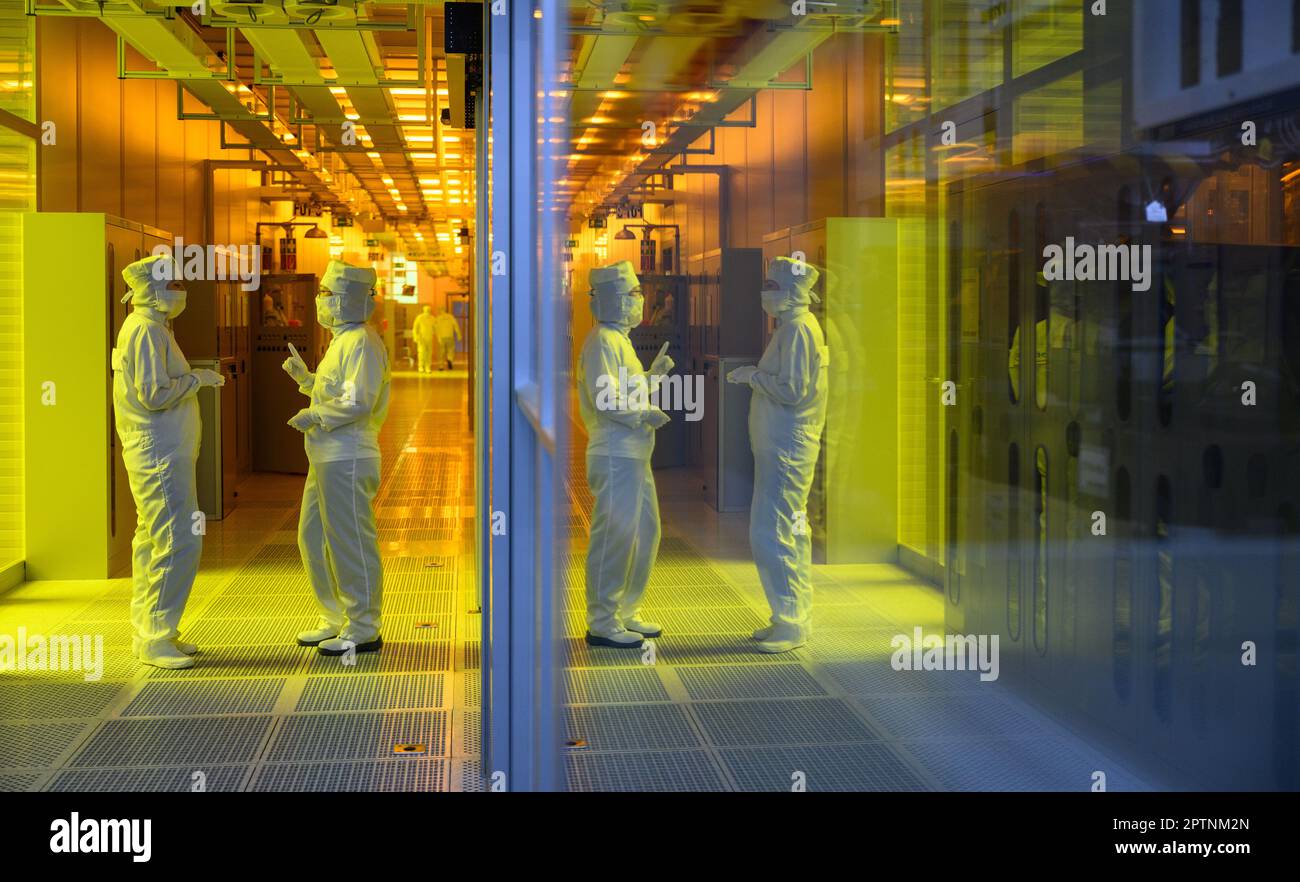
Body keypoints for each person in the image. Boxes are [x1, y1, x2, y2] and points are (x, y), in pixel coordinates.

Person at [112, 255, 225, 670]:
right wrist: (197, 379)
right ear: (151, 289)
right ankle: (156, 637)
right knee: (179, 539)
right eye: (173, 283)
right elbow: (152, 396)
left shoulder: (155, 329)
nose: (181, 290)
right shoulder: (143, 330)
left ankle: (151, 631)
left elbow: (157, 385)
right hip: (157, 453)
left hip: (167, 452)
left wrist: (193, 378)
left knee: (153, 538)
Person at [282, 260, 392, 656]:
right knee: (311, 537)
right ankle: (333, 616)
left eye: (329, 295)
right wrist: (305, 381)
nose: (320, 301)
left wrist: (317, 414)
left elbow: (358, 401)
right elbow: (338, 390)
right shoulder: (343, 340)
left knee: (350, 541)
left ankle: (363, 626)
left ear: (350, 300)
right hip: (325, 455)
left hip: (347, 456)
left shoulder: (361, 340)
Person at [727, 256, 828, 653]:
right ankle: (787, 615)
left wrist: (753, 376)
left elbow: (794, 391)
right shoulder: (790, 329)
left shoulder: (800, 330)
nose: (765, 293)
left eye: (772, 286)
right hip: (779, 448)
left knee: (774, 531)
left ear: (792, 292)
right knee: (781, 529)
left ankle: (792, 622)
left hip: (788, 448)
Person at [578, 260, 673, 648]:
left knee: (646, 533)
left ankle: (626, 611)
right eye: (633, 294)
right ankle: (602, 620)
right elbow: (606, 400)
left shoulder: (619, 340)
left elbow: (623, 391)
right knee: (615, 537)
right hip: (616, 453)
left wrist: (653, 376)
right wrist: (643, 412)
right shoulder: (602, 340)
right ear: (613, 300)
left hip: (634, 453)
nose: (639, 300)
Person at [412, 305, 436, 373]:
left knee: (429, 353)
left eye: (429, 310)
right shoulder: (419, 318)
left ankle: (427, 367)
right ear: (424, 310)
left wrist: (436, 335)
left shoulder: (432, 318)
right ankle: (421, 366)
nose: (427, 311)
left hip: (429, 338)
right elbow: (415, 328)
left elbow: (435, 328)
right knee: (421, 353)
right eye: (426, 310)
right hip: (421, 338)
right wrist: (415, 337)